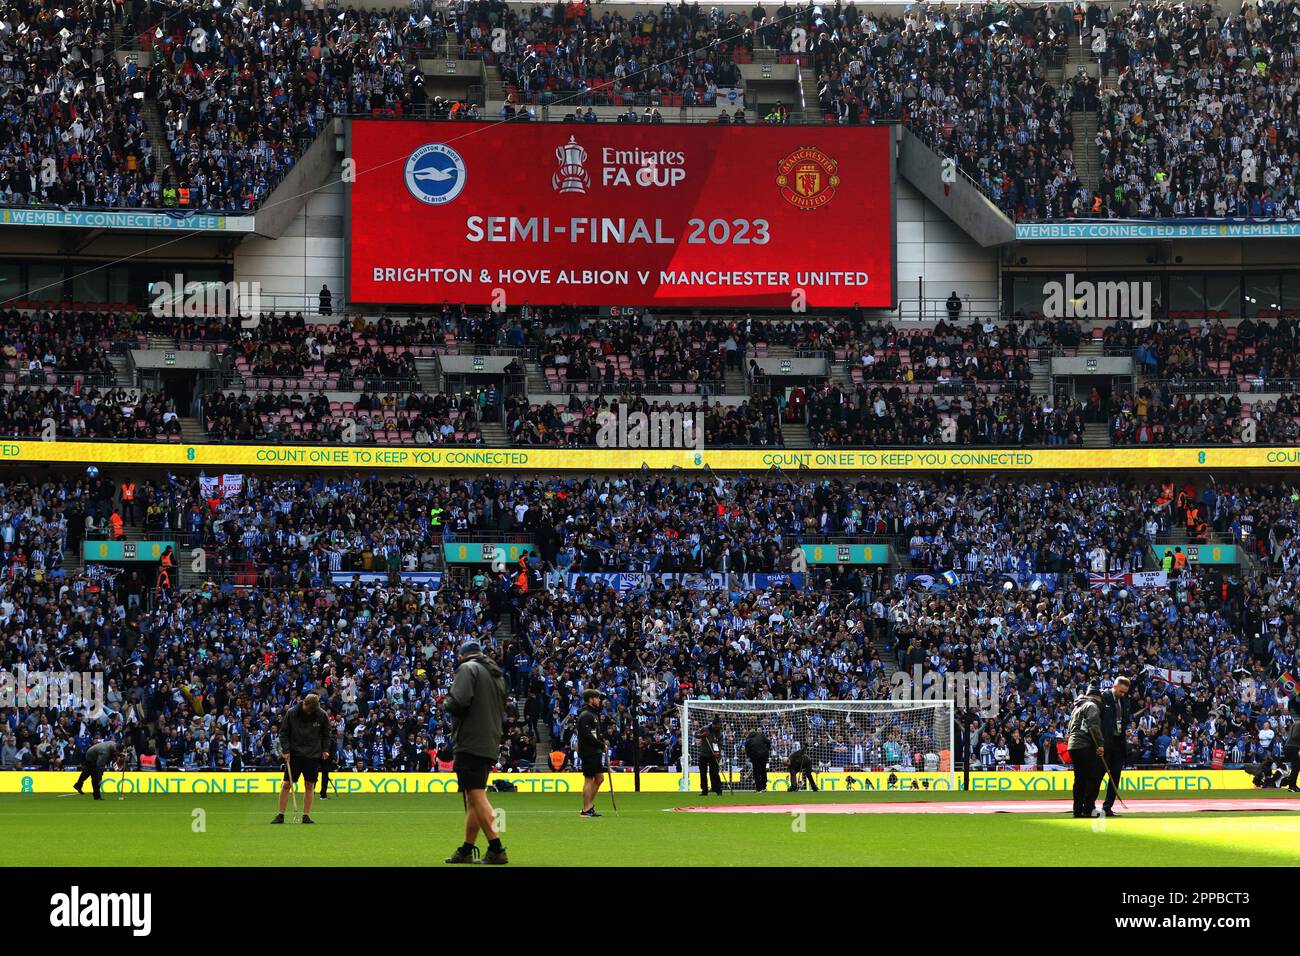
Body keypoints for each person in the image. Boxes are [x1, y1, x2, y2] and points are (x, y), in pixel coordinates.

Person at [443, 638, 509, 865]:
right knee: (473, 796)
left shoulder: (467, 668)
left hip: (470, 739)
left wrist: (446, 702)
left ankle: (496, 848)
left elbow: (457, 701)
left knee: (477, 795)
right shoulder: (496, 675)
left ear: (462, 656)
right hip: (489, 739)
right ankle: (466, 849)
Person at [272, 692, 330, 824]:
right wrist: (286, 750)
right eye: (309, 709)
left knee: (310, 785)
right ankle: (280, 815)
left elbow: (327, 734)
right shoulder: (292, 713)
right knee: (286, 784)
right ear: (304, 703)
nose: (310, 712)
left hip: (312, 755)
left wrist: (325, 749)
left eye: (313, 710)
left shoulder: (321, 715)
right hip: (294, 755)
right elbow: (283, 733)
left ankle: (306, 815)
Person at [1067, 684, 1106, 818]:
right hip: (1084, 745)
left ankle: (1077, 810)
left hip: (1073, 745)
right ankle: (1088, 808)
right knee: (1094, 777)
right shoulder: (1091, 706)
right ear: (1096, 697)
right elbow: (1093, 726)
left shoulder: (1077, 707)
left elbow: (1070, 727)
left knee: (1079, 780)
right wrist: (1100, 744)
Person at [1098, 676, 1134, 816]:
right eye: (1120, 691)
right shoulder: (1104, 697)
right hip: (1106, 743)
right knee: (1098, 775)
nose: (1122, 694)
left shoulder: (1124, 700)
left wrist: (1128, 728)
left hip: (1119, 742)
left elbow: (1127, 719)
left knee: (1115, 777)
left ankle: (1107, 808)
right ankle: (1088, 805)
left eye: (1125, 692)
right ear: (1114, 686)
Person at [576, 688, 606, 817]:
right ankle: (586, 809)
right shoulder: (586, 715)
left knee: (599, 778)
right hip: (589, 751)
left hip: (595, 750)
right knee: (589, 779)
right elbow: (587, 735)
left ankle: (589, 805)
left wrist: (602, 740)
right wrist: (600, 744)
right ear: (590, 699)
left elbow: (595, 733)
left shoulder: (593, 714)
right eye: (597, 698)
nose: (599, 700)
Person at [697, 717, 724, 796]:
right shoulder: (705, 728)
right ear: (713, 724)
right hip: (703, 754)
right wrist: (702, 735)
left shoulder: (719, 733)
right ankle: (704, 790)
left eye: (719, 726)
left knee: (714, 773)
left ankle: (718, 789)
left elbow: (720, 744)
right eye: (717, 726)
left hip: (714, 755)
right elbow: (696, 734)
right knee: (703, 773)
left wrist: (717, 752)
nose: (718, 727)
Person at [1283, 697, 1300, 793]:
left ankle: (1293, 784)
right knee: (1296, 766)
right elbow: (1295, 736)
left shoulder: (1297, 723)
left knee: (1297, 766)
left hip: (1291, 747)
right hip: (1291, 747)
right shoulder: (1299, 724)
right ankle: (1291, 785)